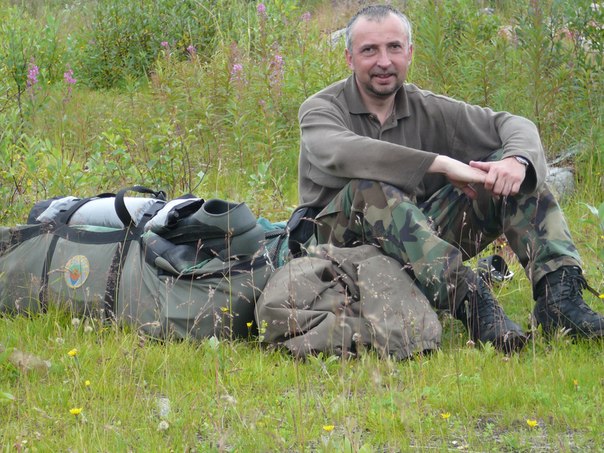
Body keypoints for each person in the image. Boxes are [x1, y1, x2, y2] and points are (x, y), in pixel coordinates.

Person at [295, 4, 603, 353]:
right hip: (338, 251)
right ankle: (472, 302)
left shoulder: (427, 107)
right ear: (349, 58)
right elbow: (341, 152)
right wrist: (439, 163)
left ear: (410, 53)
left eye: (394, 47)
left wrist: (516, 161)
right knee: (371, 190)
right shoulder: (320, 109)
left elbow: (512, 124)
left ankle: (559, 300)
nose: (384, 61)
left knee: (503, 171)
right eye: (369, 50)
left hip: (414, 246)